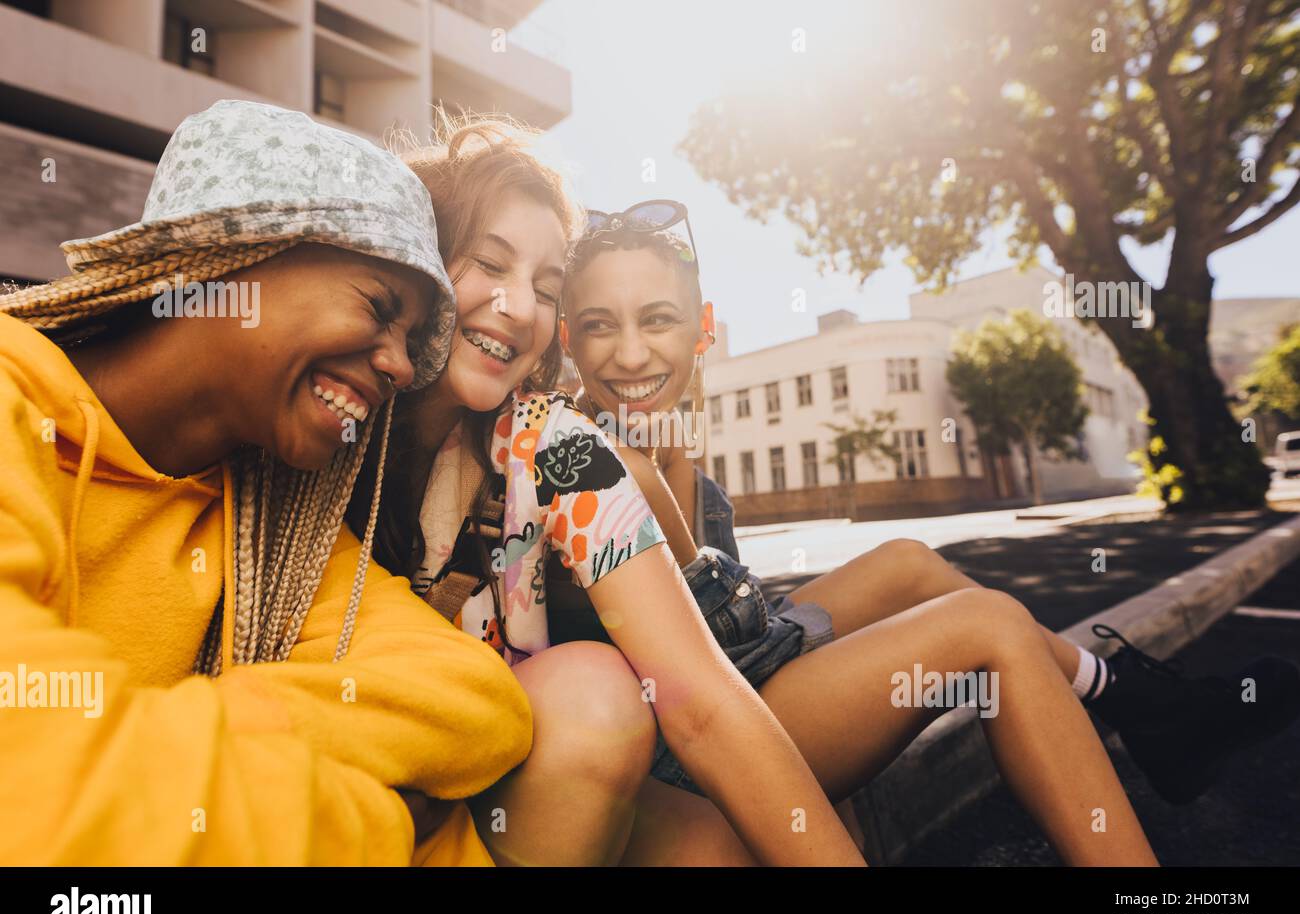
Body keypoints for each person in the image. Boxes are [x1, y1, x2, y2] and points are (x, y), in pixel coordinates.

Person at [353, 125, 1159, 866]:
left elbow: (708, 685)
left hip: (622, 730)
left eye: (544, 282)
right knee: (970, 624)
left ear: (701, 331)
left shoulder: (558, 447)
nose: (519, 304)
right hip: (548, 743)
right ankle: (1140, 699)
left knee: (749, 817)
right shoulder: (334, 426)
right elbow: (715, 655)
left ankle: (1142, 726)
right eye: (490, 266)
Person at [557, 201, 1300, 833]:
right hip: (686, 739)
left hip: (743, 666)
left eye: (658, 319)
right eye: (598, 326)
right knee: (990, 626)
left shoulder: (673, 454)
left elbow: (739, 629)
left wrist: (677, 465)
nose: (629, 354)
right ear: (568, 341)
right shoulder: (590, 462)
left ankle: (1143, 702)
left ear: (703, 328)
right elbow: (714, 661)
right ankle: (1151, 738)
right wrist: (658, 476)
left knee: (909, 562)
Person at [0, 99, 532, 866]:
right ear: (238, 257)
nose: (403, 364)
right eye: (381, 309)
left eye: (410, 340)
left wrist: (192, 736)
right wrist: (373, 820)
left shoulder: (275, 523)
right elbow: (42, 791)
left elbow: (478, 702)